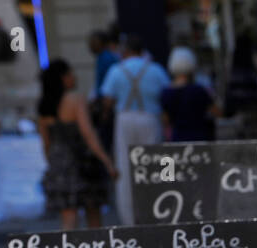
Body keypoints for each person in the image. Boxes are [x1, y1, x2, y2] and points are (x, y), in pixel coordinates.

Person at [36, 59, 117, 230]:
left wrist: (52, 165)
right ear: (63, 78)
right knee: (94, 216)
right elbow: (88, 134)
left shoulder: (44, 106)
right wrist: (106, 160)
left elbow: (45, 143)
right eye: (70, 74)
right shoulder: (75, 100)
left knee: (68, 218)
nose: (74, 77)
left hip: (59, 163)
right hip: (82, 163)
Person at [99, 35, 169, 224]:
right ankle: (157, 209)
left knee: (125, 164)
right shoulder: (155, 69)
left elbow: (107, 98)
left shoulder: (116, 70)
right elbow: (166, 93)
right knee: (155, 162)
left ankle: (129, 217)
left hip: (125, 117)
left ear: (126, 51)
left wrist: (107, 113)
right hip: (150, 117)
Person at [161, 47, 218, 142]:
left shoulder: (166, 92)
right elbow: (216, 112)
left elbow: (165, 119)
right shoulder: (199, 90)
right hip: (199, 138)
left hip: (178, 139)